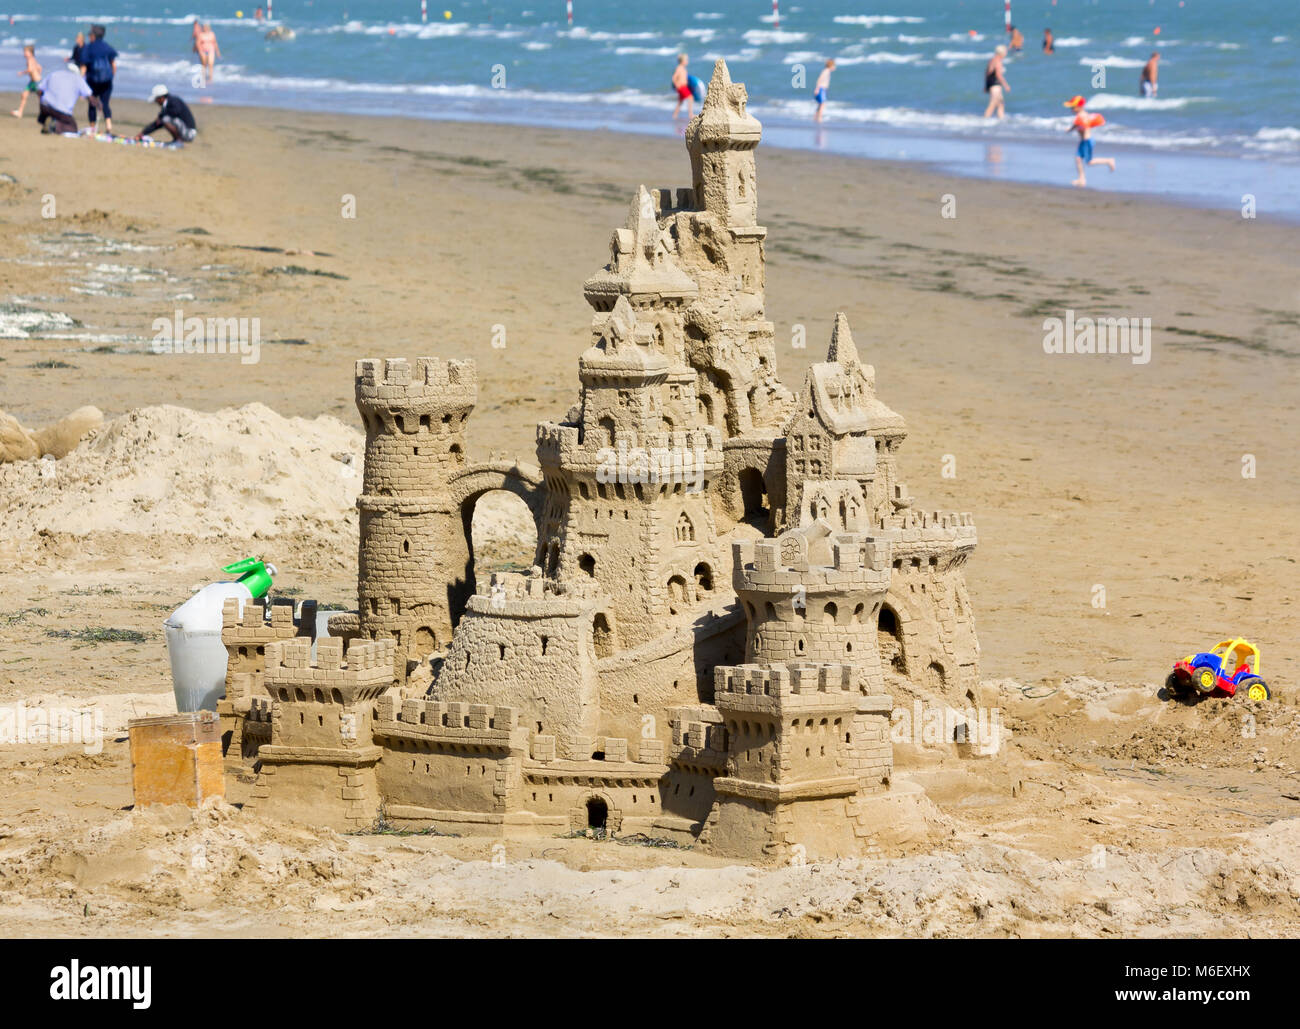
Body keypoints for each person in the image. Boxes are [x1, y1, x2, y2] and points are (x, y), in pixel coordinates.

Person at [36, 63, 101, 135]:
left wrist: (41, 101)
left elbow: (39, 90)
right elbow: (90, 98)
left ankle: (48, 119)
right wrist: (98, 104)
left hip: (45, 106)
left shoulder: (55, 74)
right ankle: (55, 126)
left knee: (50, 111)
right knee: (72, 128)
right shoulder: (78, 79)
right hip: (61, 111)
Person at [1064, 95, 1115, 187]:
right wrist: (1070, 129)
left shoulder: (1082, 116)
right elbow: (1076, 126)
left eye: (1073, 107)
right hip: (1083, 141)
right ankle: (1081, 179)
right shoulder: (1081, 116)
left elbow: (1079, 125)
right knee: (1078, 159)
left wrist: (1072, 129)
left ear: (1079, 107)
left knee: (1089, 162)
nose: (1071, 109)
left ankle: (1108, 160)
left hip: (1087, 141)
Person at [78, 24, 117, 135]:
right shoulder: (107, 47)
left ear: (93, 36)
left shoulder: (88, 48)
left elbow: (84, 67)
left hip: (92, 82)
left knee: (92, 104)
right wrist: (111, 78)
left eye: (90, 34)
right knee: (105, 103)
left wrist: (80, 82)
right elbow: (114, 66)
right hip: (107, 82)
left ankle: (93, 127)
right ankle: (109, 126)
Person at [10, 44, 41, 118]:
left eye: (26, 52)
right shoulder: (33, 59)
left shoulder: (30, 59)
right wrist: (38, 73)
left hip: (36, 82)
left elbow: (30, 69)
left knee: (41, 98)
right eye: (24, 52)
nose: (24, 53)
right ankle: (20, 112)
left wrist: (22, 72)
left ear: (30, 53)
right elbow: (39, 67)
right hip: (33, 82)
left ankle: (44, 113)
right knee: (24, 95)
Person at [982, 45, 1010, 119]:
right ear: (1002, 53)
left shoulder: (991, 60)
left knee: (1001, 103)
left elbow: (987, 73)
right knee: (993, 103)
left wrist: (986, 85)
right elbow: (998, 75)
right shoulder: (998, 61)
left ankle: (1001, 119)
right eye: (1005, 52)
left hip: (991, 83)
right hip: (995, 84)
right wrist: (1006, 85)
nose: (1006, 54)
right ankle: (985, 119)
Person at [813, 59, 835, 123]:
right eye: (834, 66)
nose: (834, 67)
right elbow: (819, 79)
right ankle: (819, 118)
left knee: (820, 104)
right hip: (821, 89)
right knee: (822, 104)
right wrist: (817, 89)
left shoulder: (827, 71)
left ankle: (815, 117)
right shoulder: (826, 71)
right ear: (831, 66)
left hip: (823, 89)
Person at [671, 54, 692, 120]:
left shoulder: (683, 68)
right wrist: (677, 85)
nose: (687, 61)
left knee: (680, 101)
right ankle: (690, 114)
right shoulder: (679, 68)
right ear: (682, 61)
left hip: (684, 86)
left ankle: (674, 115)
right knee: (690, 98)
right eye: (686, 60)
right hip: (681, 87)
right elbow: (674, 77)